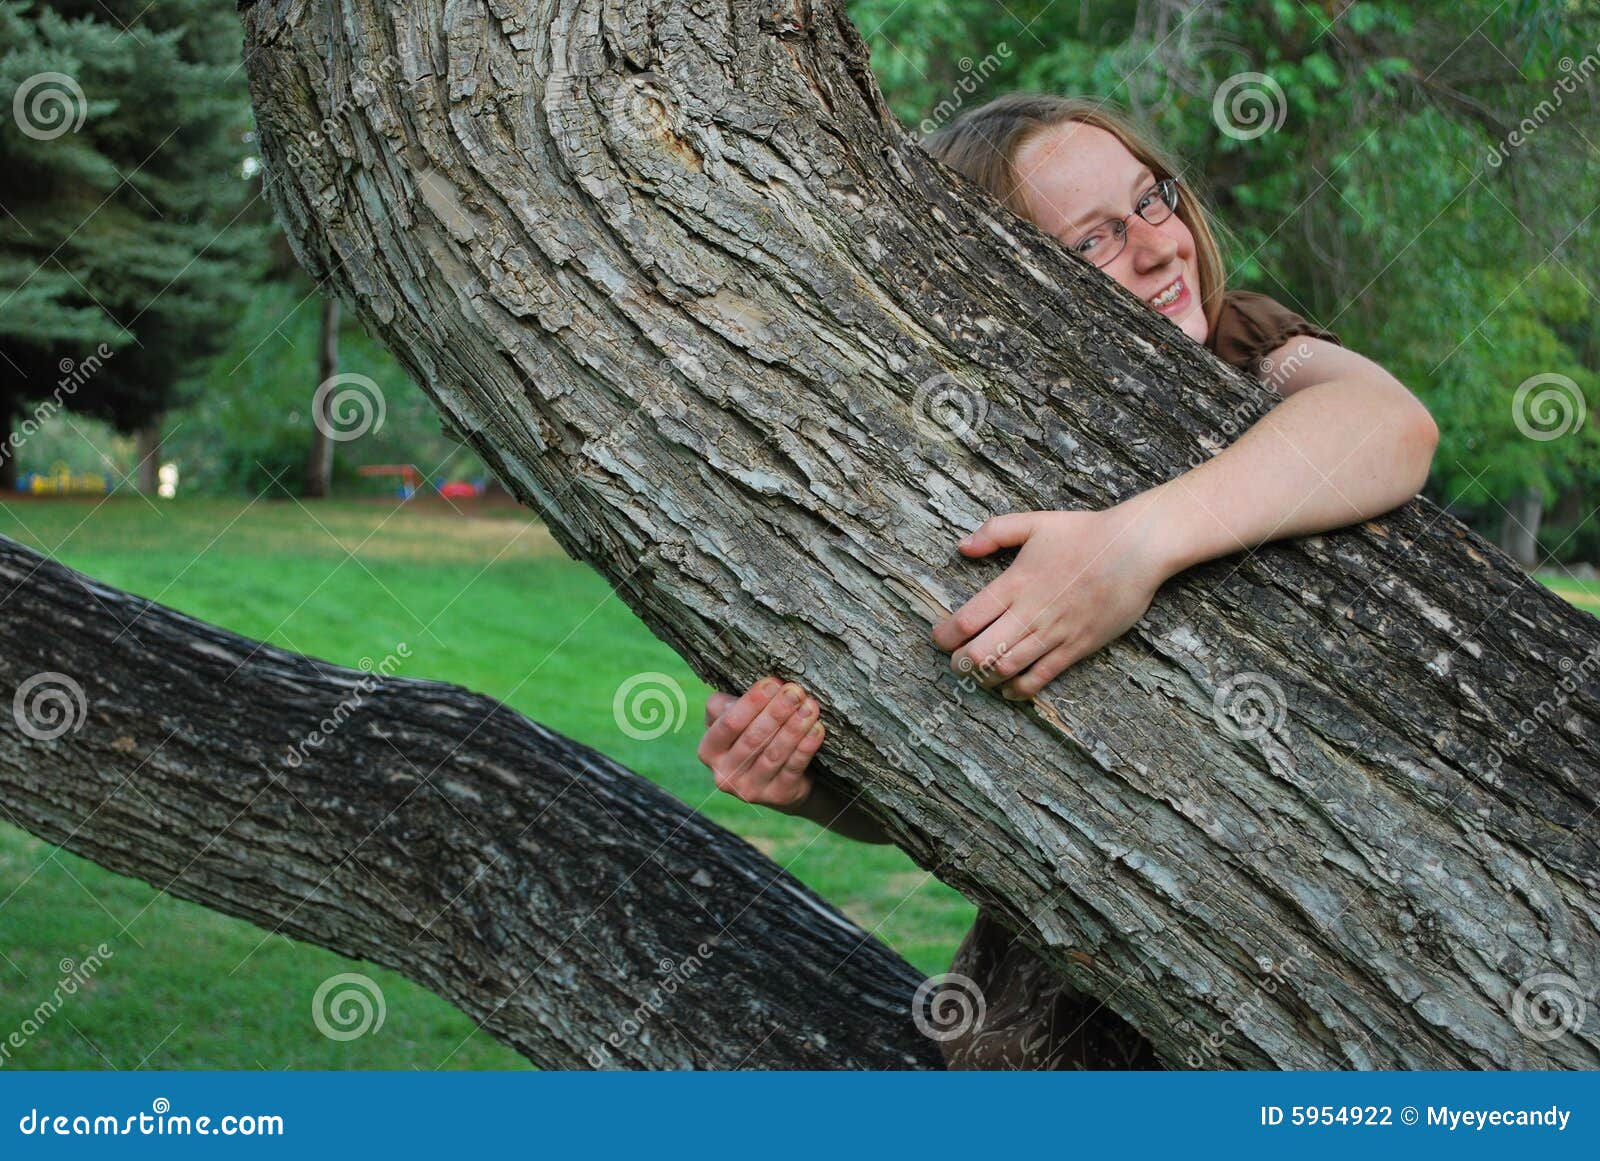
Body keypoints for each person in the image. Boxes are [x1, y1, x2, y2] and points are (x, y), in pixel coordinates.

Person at [695, 93, 1440, 1068]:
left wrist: (1131, 547)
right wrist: (808, 788)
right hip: (1039, 1014)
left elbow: (1390, 427)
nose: (1158, 246)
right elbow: (951, 778)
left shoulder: (1247, 351)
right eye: (1091, 241)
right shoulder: (965, 458)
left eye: (1152, 199)